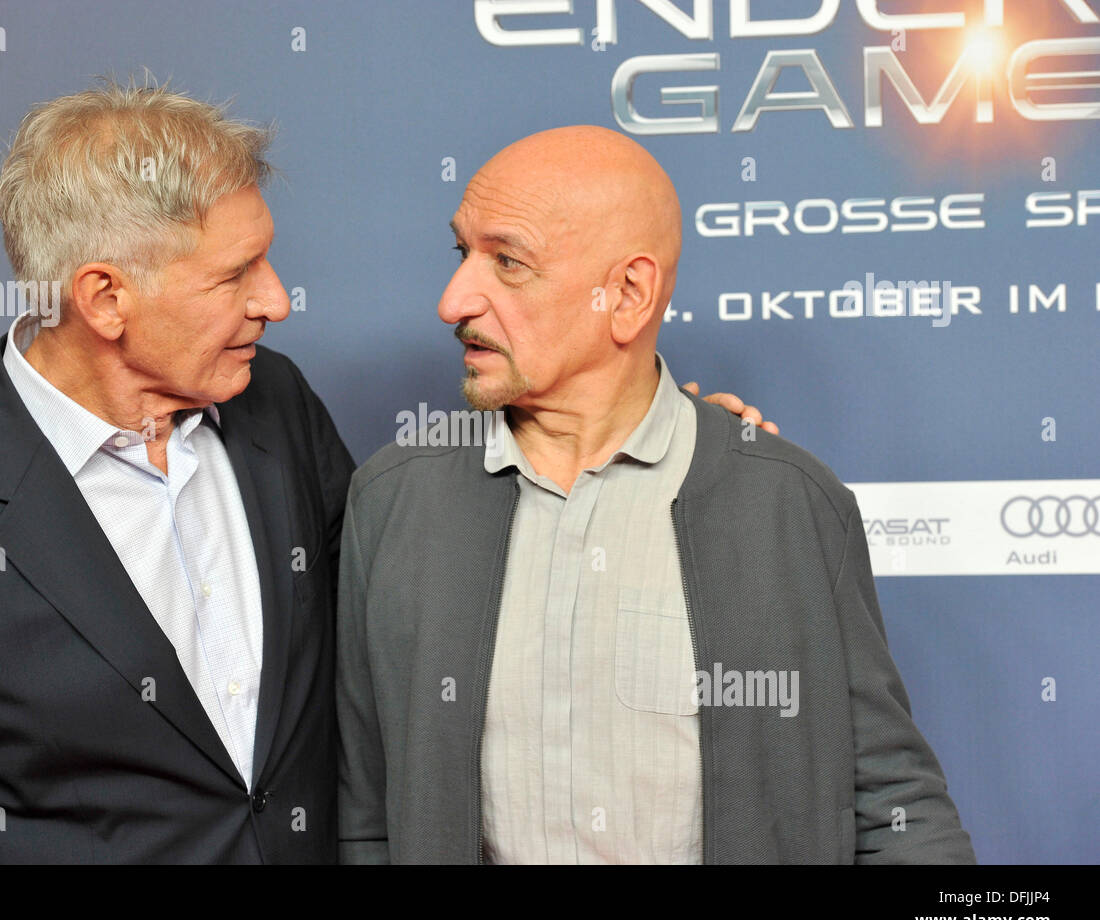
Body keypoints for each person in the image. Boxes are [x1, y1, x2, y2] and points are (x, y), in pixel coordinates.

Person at [0, 84, 765, 864]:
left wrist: (635, 431)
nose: (276, 299)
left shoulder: (274, 404)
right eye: (236, 275)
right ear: (103, 298)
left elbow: (403, 580)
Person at [335, 126, 976, 864]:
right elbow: (365, 820)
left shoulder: (788, 503)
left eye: (508, 262)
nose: (453, 301)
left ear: (629, 294)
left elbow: (893, 808)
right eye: (462, 253)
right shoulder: (392, 503)